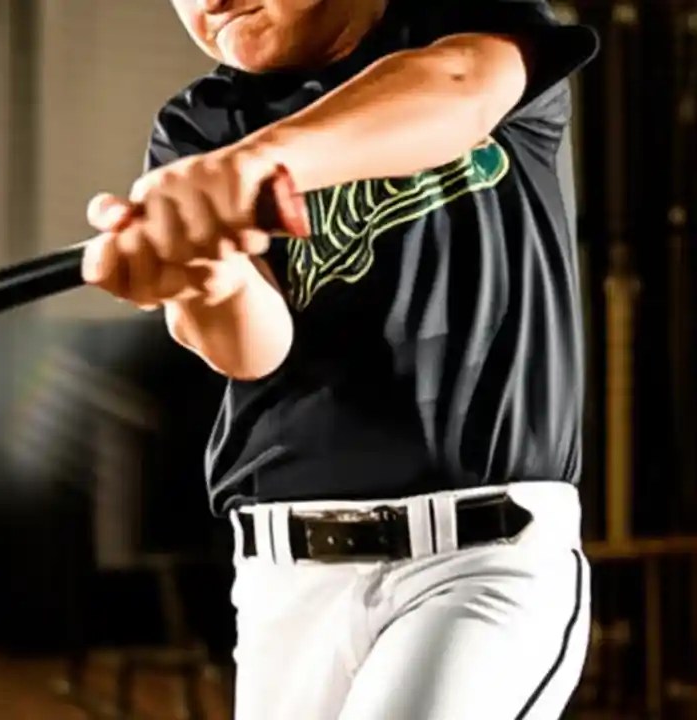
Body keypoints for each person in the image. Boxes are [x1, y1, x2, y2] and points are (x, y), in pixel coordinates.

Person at [81, 1, 599, 718]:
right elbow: (253, 349)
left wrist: (251, 166)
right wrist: (210, 274)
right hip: (287, 581)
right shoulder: (202, 123)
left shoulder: (471, 21)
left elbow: (457, 86)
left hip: (477, 562)